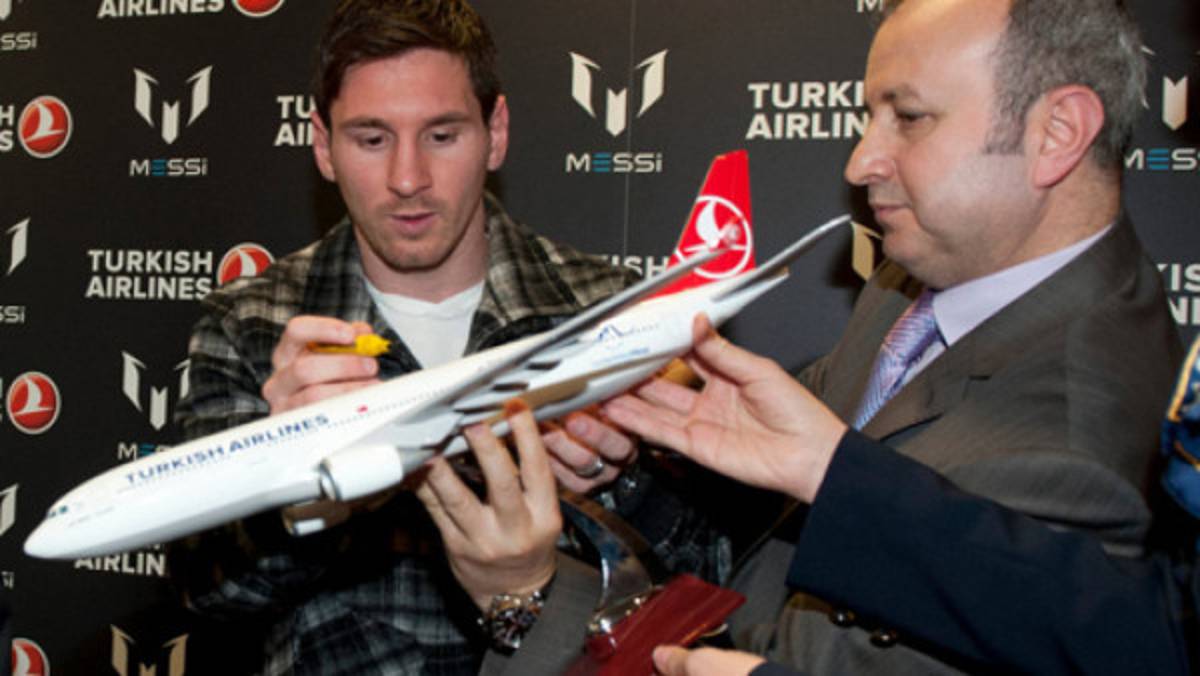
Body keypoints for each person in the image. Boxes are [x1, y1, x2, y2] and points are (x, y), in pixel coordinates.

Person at [418, 0, 1187, 673]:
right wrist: (631, 470)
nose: (860, 162)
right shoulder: (927, 276)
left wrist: (527, 597)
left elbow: (785, 659)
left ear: (1058, 132)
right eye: (868, 117)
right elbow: (777, 538)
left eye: (909, 117)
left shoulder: (1072, 455)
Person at [168, 1, 645, 674]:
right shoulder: (251, 325)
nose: (408, 179)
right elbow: (205, 590)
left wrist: (625, 488)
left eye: (442, 136)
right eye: (372, 140)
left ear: (495, 133)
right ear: (322, 145)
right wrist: (295, 485)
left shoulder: (606, 313)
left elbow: (713, 578)